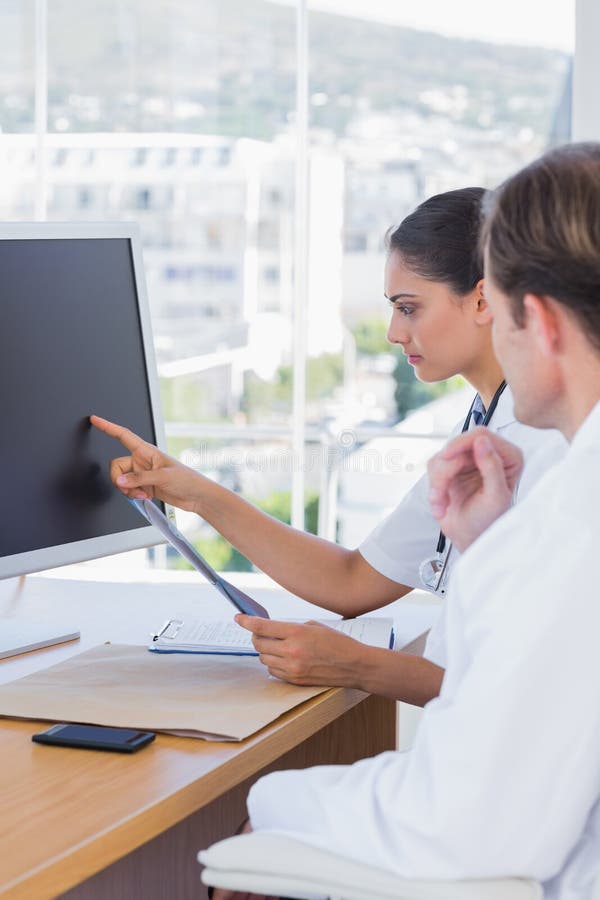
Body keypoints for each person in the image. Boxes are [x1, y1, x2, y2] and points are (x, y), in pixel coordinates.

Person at [208, 142, 600, 900]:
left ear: (539, 322)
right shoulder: (554, 504)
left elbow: (471, 821)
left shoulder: (573, 516)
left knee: (248, 849)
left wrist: (268, 806)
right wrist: (489, 548)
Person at [91, 187, 565, 708]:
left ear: (481, 300)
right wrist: (195, 492)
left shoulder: (551, 442)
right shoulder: (487, 419)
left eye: (409, 309)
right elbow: (353, 581)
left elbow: (540, 684)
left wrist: (358, 665)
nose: (391, 332)